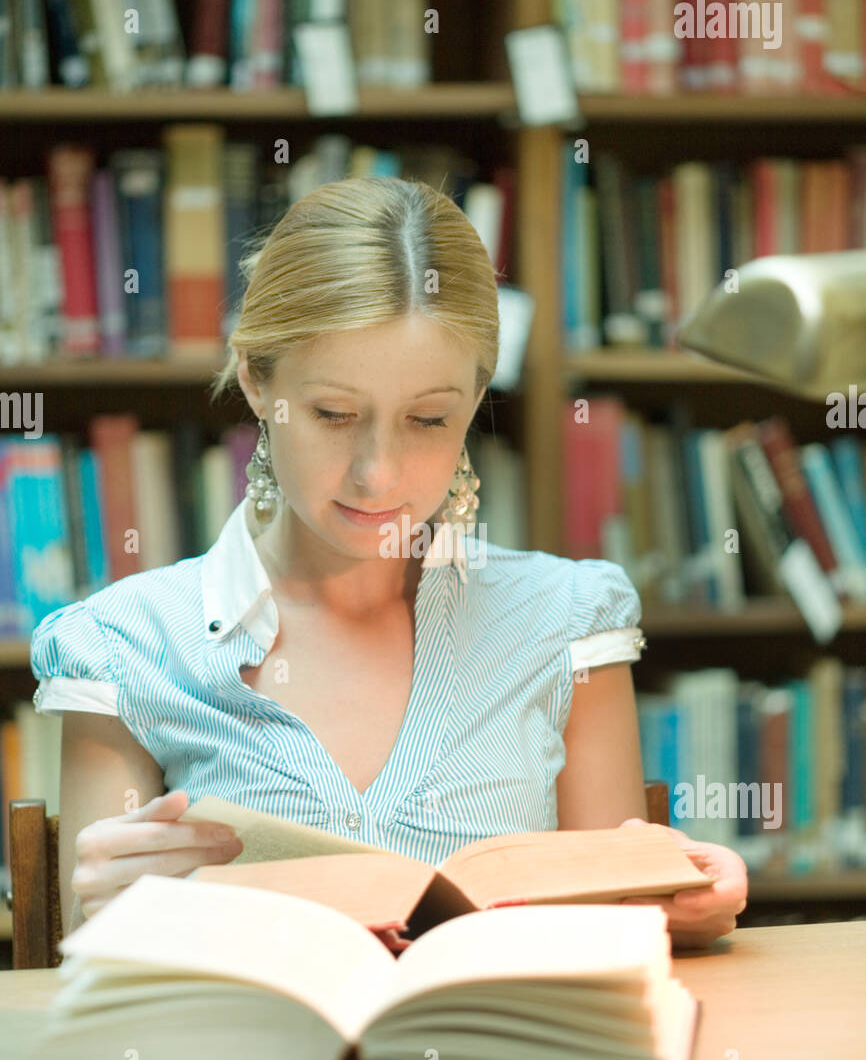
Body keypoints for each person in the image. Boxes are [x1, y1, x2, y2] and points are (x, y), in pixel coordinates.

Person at [31, 176, 747, 946]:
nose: (378, 473)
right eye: (335, 414)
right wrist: (101, 911)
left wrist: (696, 913)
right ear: (256, 382)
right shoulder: (125, 645)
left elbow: (627, 927)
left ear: (475, 401)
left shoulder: (565, 621)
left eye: (428, 419)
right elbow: (92, 966)